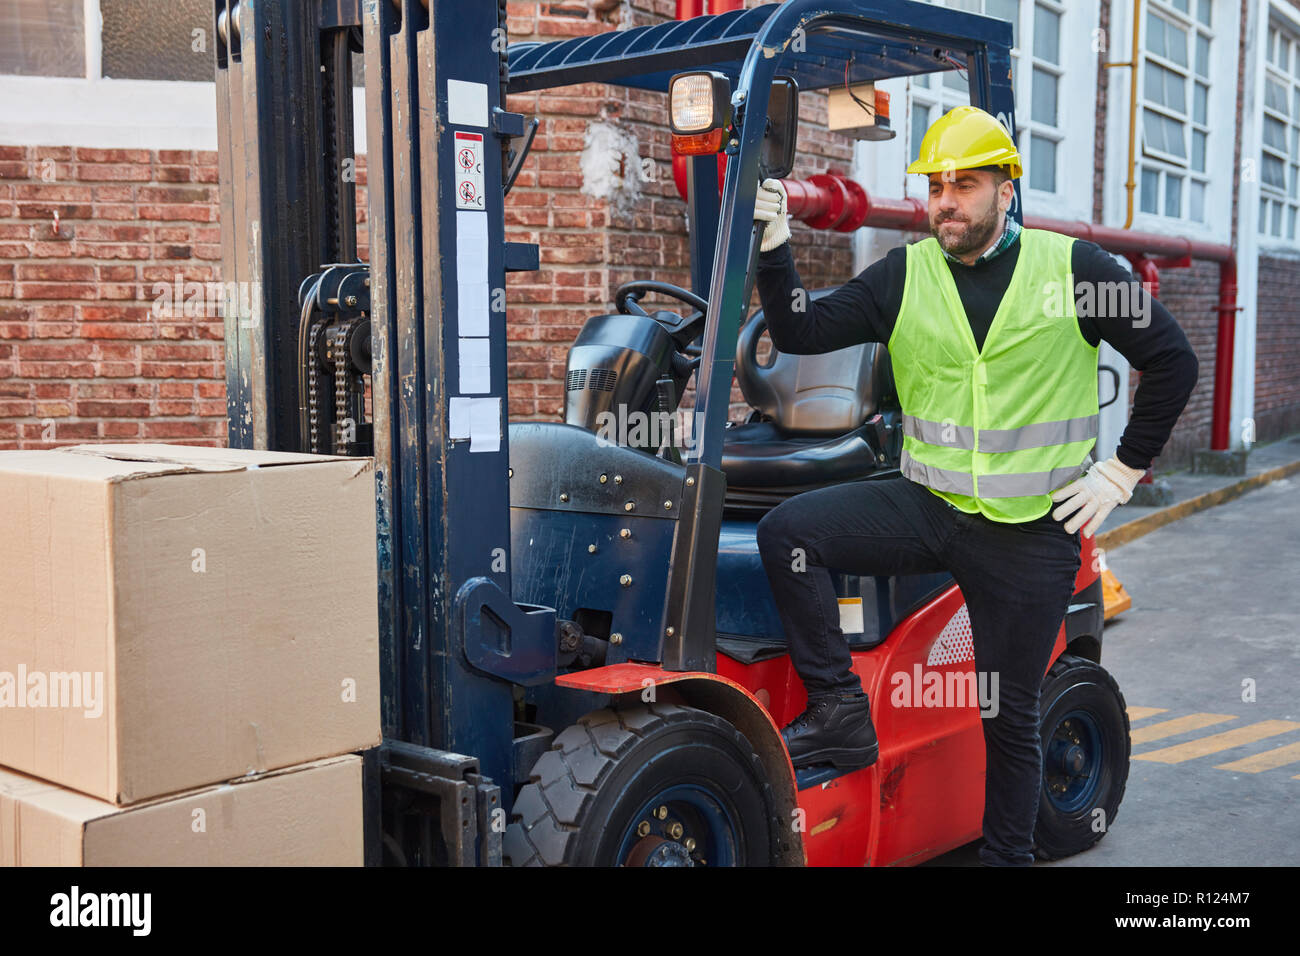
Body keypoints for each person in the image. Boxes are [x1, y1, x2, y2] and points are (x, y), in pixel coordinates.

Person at [750, 105, 1199, 866]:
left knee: (1009, 716)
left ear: (1006, 188)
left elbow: (1174, 360)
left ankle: (1007, 858)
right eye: (935, 188)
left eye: (964, 185)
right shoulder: (905, 274)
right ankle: (838, 711)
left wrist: (1121, 471)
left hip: (1030, 535)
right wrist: (774, 242)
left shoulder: (1075, 271)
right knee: (788, 534)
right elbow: (798, 332)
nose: (944, 203)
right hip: (930, 507)